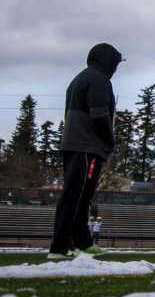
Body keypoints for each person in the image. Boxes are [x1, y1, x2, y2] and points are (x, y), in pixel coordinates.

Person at [49, 43, 123, 260]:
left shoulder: (80, 78)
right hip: (86, 147)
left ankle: (82, 242)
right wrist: (110, 141)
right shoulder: (99, 80)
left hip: (76, 144)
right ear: (107, 61)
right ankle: (59, 247)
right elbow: (99, 114)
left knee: (81, 197)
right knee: (75, 196)